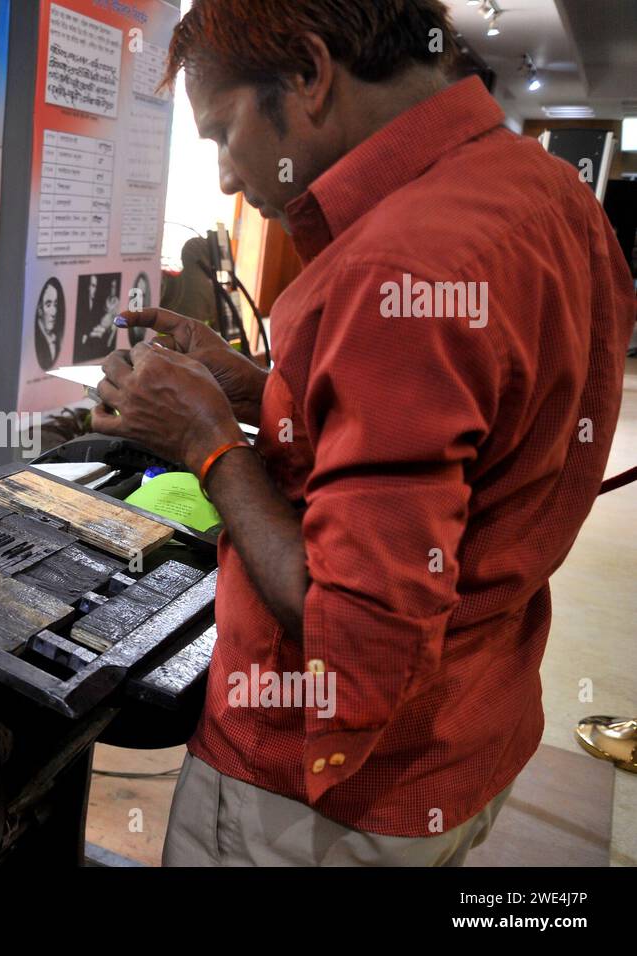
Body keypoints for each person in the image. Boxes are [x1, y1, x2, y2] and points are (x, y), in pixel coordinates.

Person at [93, 0, 635, 866]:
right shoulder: (549, 195)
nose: (229, 177)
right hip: (469, 733)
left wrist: (209, 446)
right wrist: (253, 389)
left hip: (320, 799)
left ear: (308, 73)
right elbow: (452, 439)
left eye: (225, 132)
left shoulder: (397, 270)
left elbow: (350, 637)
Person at [34, 278, 65, 369]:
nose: (54, 312)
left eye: (55, 304)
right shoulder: (37, 341)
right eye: (48, 305)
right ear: (39, 310)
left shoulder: (56, 339)